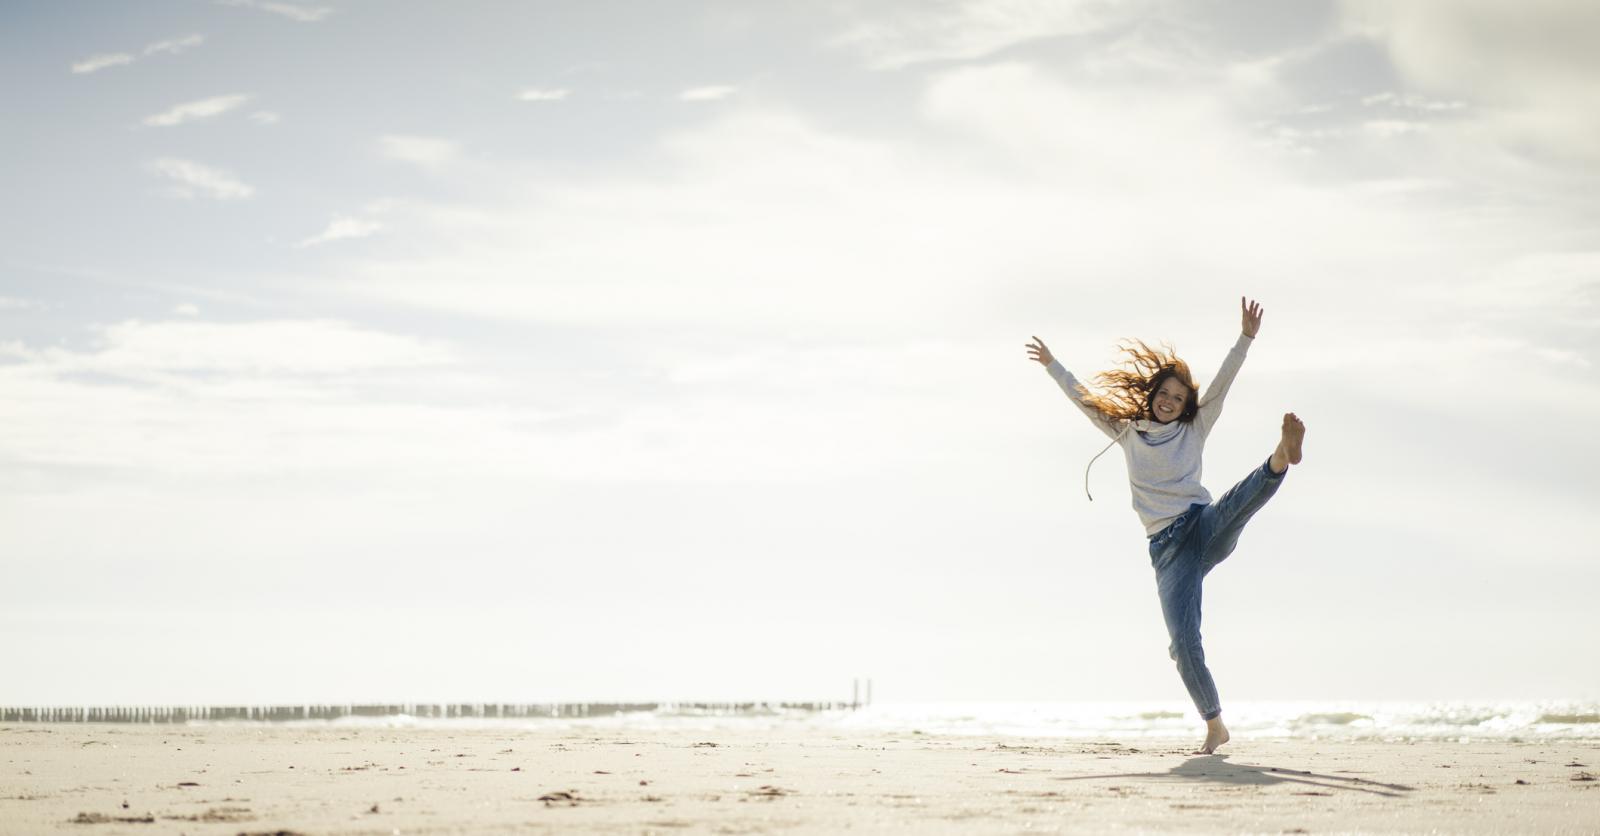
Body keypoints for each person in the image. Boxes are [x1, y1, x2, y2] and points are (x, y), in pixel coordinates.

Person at [1025, 297, 1304, 754]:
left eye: (1179, 398)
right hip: (1167, 552)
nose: (1171, 402)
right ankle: (1215, 724)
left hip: (1201, 525)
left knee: (1237, 503)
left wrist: (1246, 339)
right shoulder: (1128, 431)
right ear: (1153, 396)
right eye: (1165, 395)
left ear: (1186, 404)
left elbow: (1221, 386)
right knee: (1181, 643)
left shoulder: (1195, 428)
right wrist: (1053, 364)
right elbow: (1084, 398)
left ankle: (1280, 457)